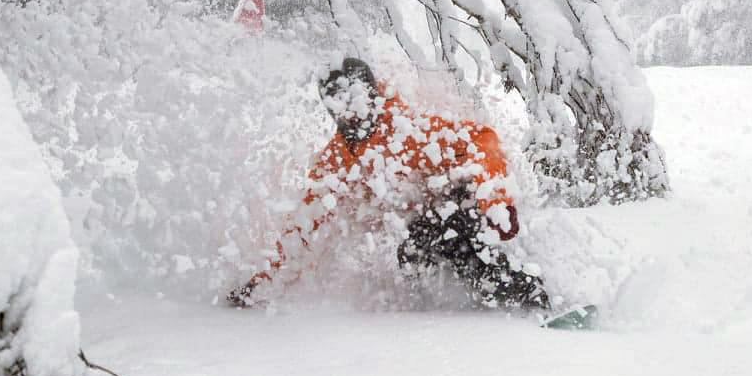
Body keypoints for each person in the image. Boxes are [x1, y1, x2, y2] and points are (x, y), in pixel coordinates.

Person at [228, 57, 561, 314]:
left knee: (457, 234)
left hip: (460, 204)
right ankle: (447, 314)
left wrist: (496, 201)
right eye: (339, 105)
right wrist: (265, 282)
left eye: (356, 100)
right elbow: (306, 224)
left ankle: (530, 296)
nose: (351, 114)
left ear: (371, 95)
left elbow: (481, 139)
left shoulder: (409, 129)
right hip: (417, 226)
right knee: (411, 256)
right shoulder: (335, 162)